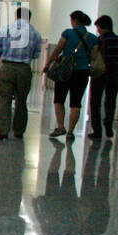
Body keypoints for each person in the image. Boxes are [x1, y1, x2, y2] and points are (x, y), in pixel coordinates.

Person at [42, 10, 97, 139]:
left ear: (74, 21)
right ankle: (71, 131)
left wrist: (47, 64)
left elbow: (58, 49)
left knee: (59, 99)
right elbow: (93, 57)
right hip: (82, 72)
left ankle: (60, 127)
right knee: (76, 102)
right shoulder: (93, 38)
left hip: (65, 71)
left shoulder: (68, 33)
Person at [0, 7, 43, 140]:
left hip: (7, 67)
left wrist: (3, 55)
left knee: (4, 99)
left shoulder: (6, 29)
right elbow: (37, 54)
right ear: (29, 17)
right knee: (21, 100)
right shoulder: (35, 34)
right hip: (24, 69)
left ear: (16, 16)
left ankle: (2, 130)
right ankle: (18, 131)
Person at [88, 14, 118, 139]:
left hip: (99, 74)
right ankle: (108, 124)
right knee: (111, 100)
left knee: (95, 102)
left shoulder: (99, 40)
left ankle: (97, 130)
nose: (97, 30)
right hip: (114, 74)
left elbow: (93, 57)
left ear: (102, 27)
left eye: (98, 27)